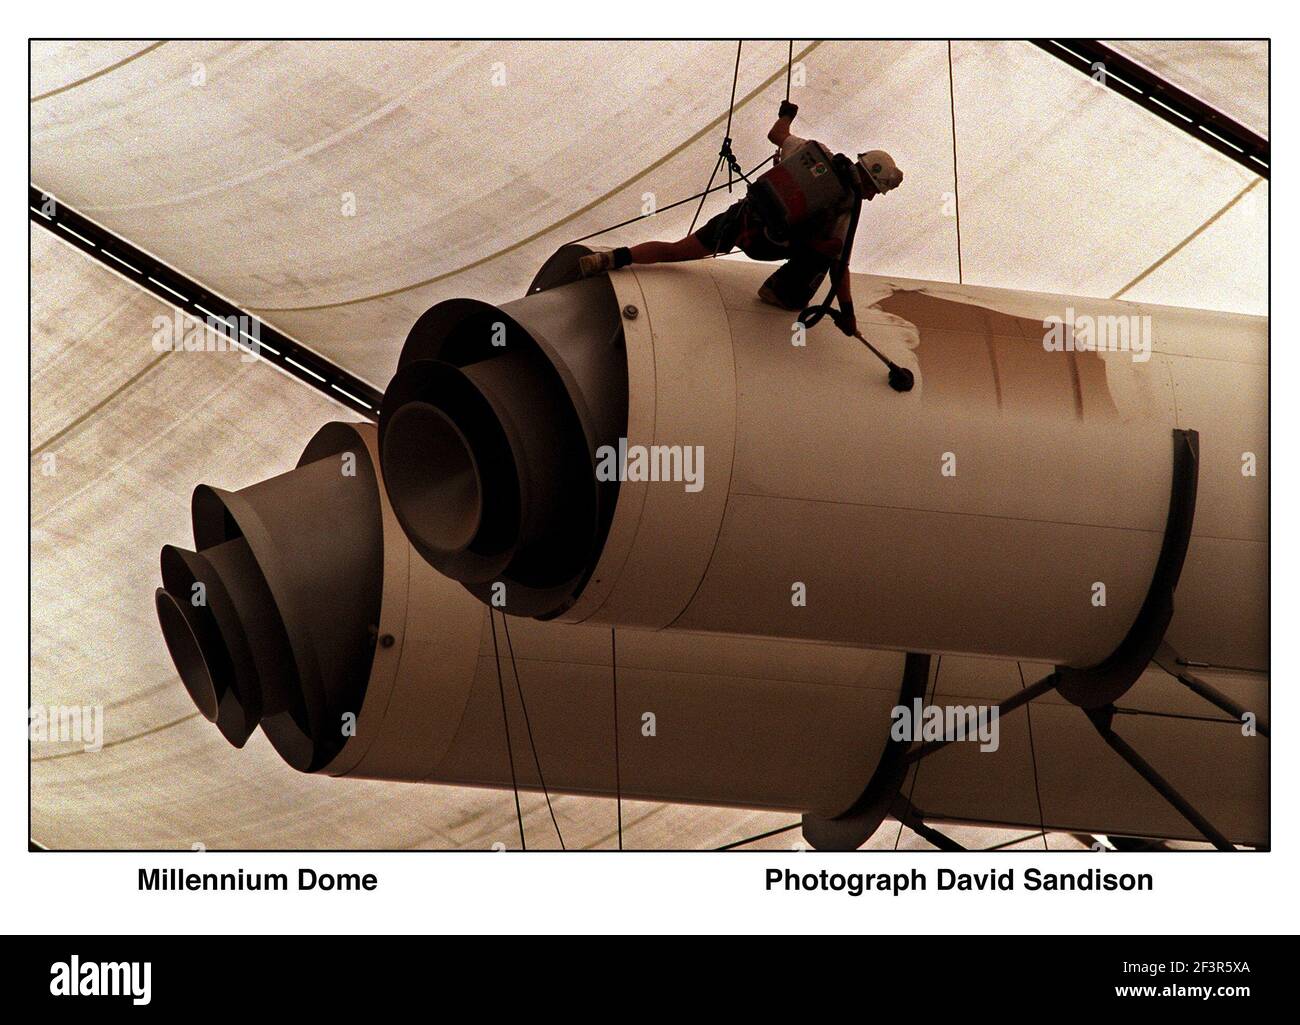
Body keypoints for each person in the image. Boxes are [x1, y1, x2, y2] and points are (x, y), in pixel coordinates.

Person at [578, 101, 903, 337]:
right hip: (768, 244)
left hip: (742, 220)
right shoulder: (846, 209)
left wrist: (787, 114)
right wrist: (848, 315)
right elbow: (839, 268)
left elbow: (777, 134)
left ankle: (612, 258)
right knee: (828, 253)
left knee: (678, 250)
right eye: (876, 192)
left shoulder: (815, 153)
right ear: (873, 186)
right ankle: (781, 292)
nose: (872, 197)